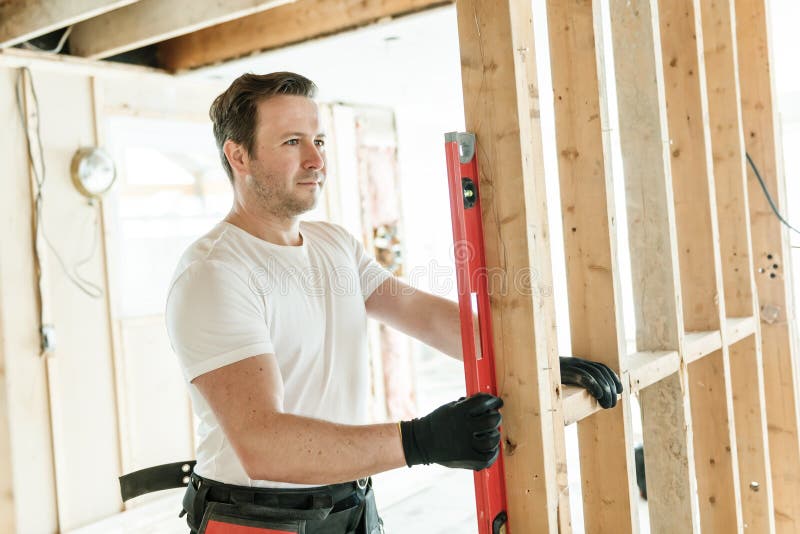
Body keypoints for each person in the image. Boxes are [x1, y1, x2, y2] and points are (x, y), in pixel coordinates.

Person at [164, 72, 622, 534]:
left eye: (318, 140)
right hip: (255, 518)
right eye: (291, 142)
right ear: (238, 155)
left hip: (349, 502)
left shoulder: (333, 244)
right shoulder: (214, 273)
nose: (316, 159)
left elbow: (422, 314)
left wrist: (535, 362)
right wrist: (420, 441)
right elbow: (263, 444)